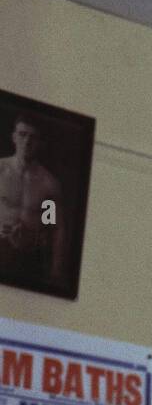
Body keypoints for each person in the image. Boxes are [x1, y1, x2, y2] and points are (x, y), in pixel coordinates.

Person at [0, 111, 67, 286]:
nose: (27, 141)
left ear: (40, 143)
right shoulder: (1, 170)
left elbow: (53, 227)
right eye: (22, 134)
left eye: (33, 137)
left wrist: (55, 271)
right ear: (14, 136)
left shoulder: (48, 184)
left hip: (28, 259)